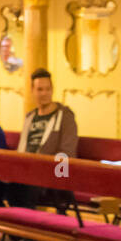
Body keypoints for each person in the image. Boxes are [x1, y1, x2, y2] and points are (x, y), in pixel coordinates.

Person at [8, 68, 78, 209]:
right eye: (40, 89)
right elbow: (22, 149)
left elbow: (66, 152)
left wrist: (58, 178)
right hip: (26, 172)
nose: (44, 93)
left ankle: (24, 228)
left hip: (52, 175)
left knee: (21, 189)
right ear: (32, 91)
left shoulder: (65, 116)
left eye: (48, 89)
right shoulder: (30, 117)